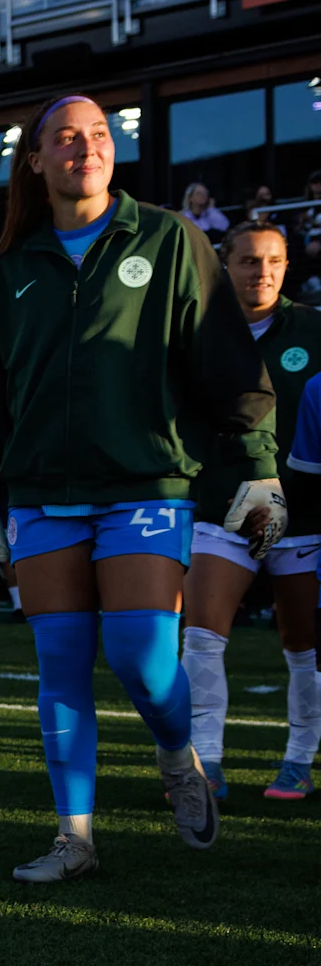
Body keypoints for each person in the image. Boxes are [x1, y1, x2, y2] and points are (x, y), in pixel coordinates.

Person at [0, 93, 282, 883]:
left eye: (100, 135)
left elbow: (224, 357)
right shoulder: (13, 267)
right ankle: (75, 838)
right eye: (67, 138)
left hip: (145, 483)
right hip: (41, 491)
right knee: (61, 669)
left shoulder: (170, 238)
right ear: (34, 161)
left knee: (142, 658)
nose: (87, 148)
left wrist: (258, 464)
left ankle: (179, 759)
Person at [182, 220, 321, 802]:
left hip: (306, 517)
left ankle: (299, 759)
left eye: (273, 261)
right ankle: (204, 761)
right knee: (202, 637)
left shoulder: (314, 328)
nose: (260, 272)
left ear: (287, 266)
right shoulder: (196, 328)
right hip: (222, 510)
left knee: (304, 647)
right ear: (225, 263)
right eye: (247, 261)